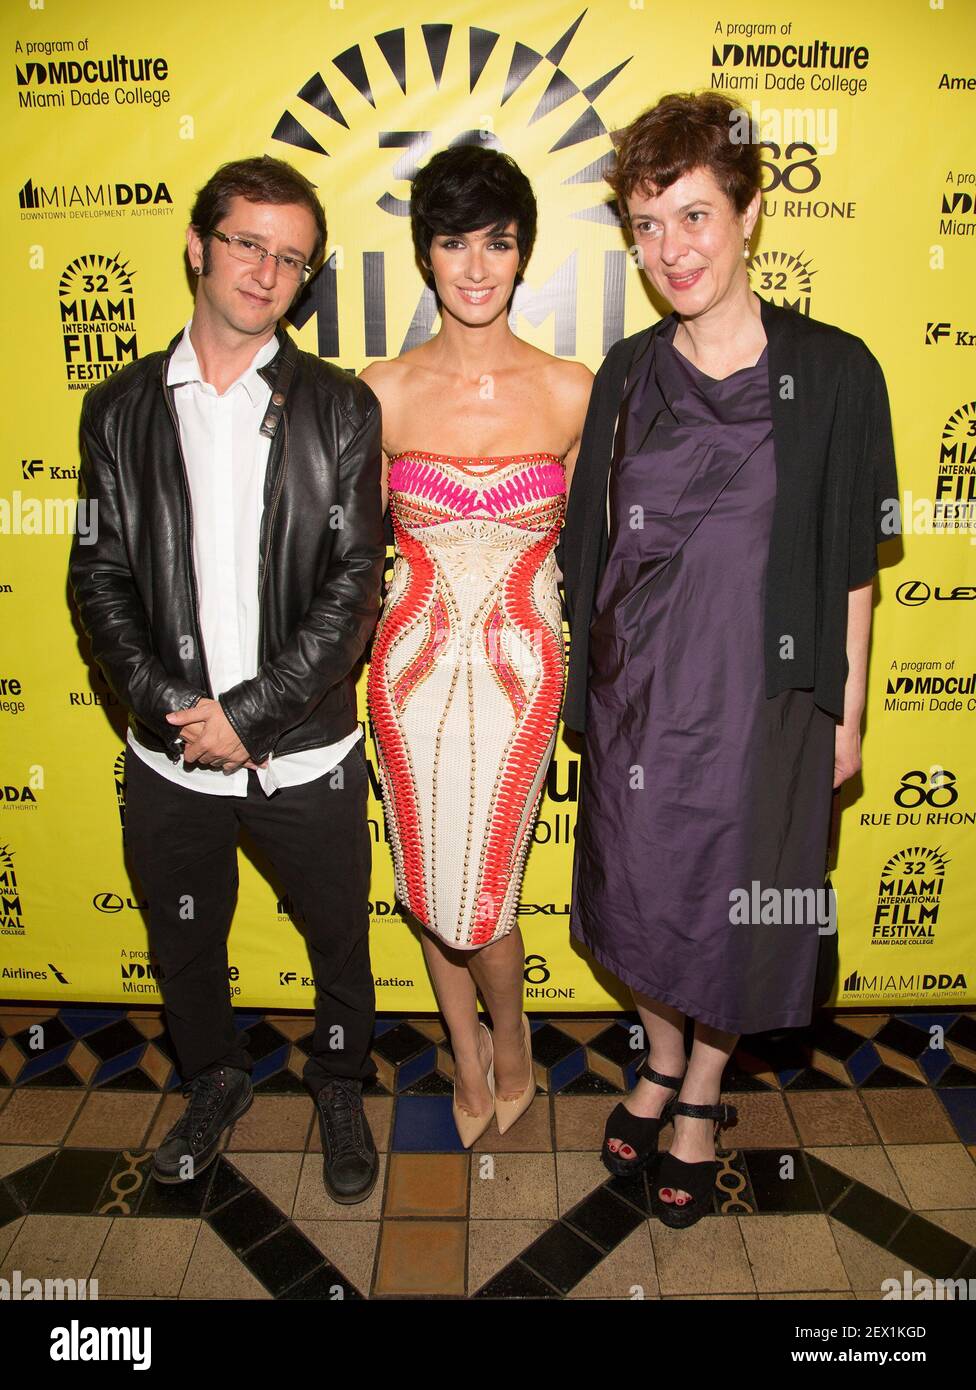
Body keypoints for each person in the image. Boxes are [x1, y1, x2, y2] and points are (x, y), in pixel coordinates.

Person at [558, 92, 898, 1227]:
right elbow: (591, 547)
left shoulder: (837, 372)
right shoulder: (624, 373)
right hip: (640, 703)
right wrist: (587, 696)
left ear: (750, 214)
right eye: (649, 226)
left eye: (695, 216)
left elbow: (852, 557)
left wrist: (845, 710)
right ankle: (659, 1057)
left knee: (740, 914)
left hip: (767, 707)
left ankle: (700, 1092)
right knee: (643, 904)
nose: (672, 251)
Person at [68, 155, 387, 1204]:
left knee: (339, 940)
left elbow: (352, 589)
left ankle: (339, 1078)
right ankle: (212, 1079)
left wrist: (247, 718)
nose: (266, 270)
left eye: (291, 256)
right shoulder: (118, 409)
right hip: (169, 755)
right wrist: (172, 714)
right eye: (247, 242)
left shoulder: (340, 408)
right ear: (199, 247)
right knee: (185, 941)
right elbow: (98, 577)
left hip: (306, 750)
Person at [360, 145, 592, 1146]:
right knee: (425, 885)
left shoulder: (572, 389)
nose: (475, 263)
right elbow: (344, 555)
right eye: (453, 240)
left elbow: (598, 555)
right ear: (425, 253)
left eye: (496, 240)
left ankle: (512, 1034)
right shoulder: (383, 389)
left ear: (522, 251)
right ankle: (466, 1049)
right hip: (406, 675)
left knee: (478, 890)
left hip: (524, 674)